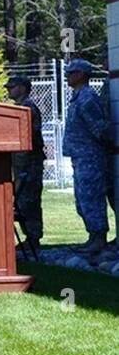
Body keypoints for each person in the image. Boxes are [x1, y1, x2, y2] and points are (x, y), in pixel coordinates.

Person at [62, 58, 113, 260]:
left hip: (90, 157)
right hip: (81, 157)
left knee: (92, 198)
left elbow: (99, 129)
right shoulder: (79, 97)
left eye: (71, 72)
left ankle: (99, 238)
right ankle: (93, 237)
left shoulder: (87, 98)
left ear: (82, 74)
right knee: (83, 200)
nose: (67, 76)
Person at [5, 75, 45, 258]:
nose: (8, 90)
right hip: (19, 163)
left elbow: (29, 136)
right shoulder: (19, 108)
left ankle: (33, 240)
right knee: (22, 201)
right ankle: (29, 240)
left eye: (12, 86)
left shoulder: (28, 108)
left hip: (29, 163)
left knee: (29, 201)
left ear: (22, 87)